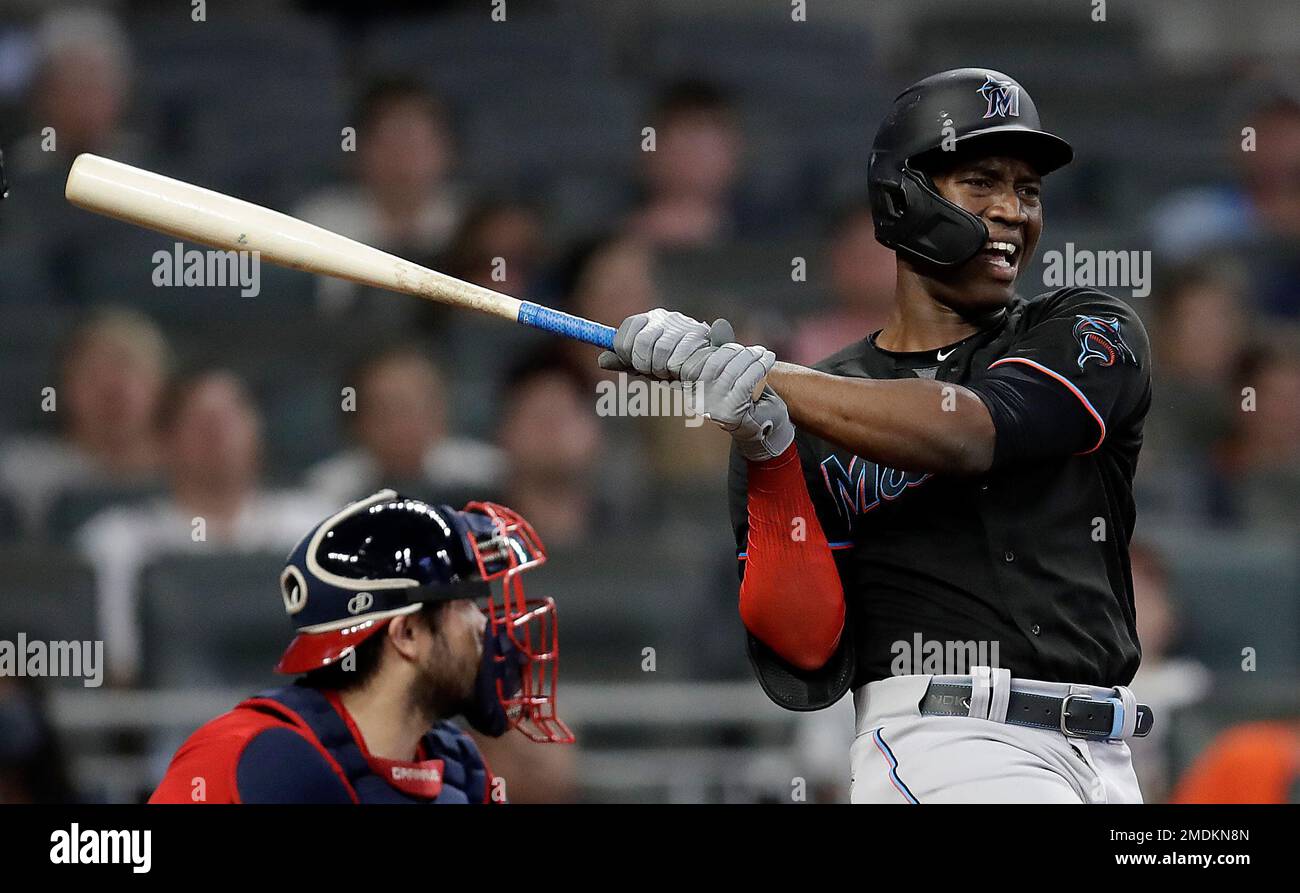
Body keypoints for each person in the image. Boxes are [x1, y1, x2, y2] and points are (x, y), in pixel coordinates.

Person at [602, 69, 1155, 803]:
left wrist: (765, 379)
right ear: (902, 198)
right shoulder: (798, 413)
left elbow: (972, 431)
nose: (1012, 211)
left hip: (1108, 759)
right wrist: (769, 457)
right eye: (981, 181)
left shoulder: (1088, 327)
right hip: (947, 746)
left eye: (1028, 189)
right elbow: (805, 650)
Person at [149, 490, 572, 804]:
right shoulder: (249, 756)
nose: (484, 624)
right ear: (406, 634)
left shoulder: (460, 771)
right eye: (465, 605)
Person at [76, 369, 330, 682]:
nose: (216, 434)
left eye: (229, 418)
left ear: (258, 430)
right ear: (164, 438)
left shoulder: (314, 528)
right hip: (171, 722)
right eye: (199, 422)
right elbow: (117, 670)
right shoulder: (117, 541)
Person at [293, 78, 464, 316]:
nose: (404, 159)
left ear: (447, 151)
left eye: (416, 144)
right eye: (390, 144)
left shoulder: (471, 223)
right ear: (358, 150)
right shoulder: (318, 224)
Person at [0, 308, 169, 537]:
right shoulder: (22, 473)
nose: (113, 389)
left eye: (128, 369)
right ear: (64, 389)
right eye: (93, 374)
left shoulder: (197, 468)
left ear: (162, 385)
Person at [305, 346, 501, 507]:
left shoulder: (490, 476)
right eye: (386, 410)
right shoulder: (327, 489)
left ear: (442, 411)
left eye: (416, 407)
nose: (402, 425)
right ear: (358, 422)